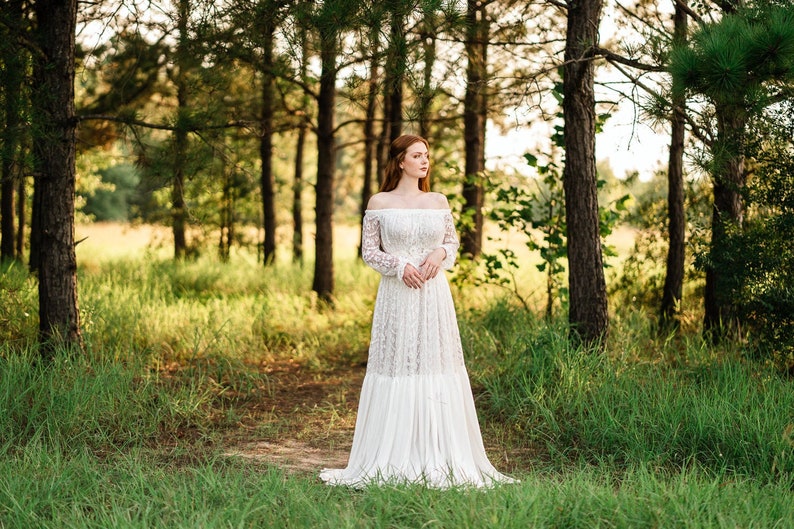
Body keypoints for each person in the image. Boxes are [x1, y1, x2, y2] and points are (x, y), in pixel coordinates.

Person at [319, 135, 516, 488]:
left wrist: (439, 255)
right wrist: (398, 266)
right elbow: (370, 251)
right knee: (398, 365)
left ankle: (439, 450)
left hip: (433, 294)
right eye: (416, 155)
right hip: (397, 294)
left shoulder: (438, 200)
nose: (424, 161)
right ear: (400, 161)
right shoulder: (379, 202)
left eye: (426, 155)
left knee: (434, 363)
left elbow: (451, 241)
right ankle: (393, 452)